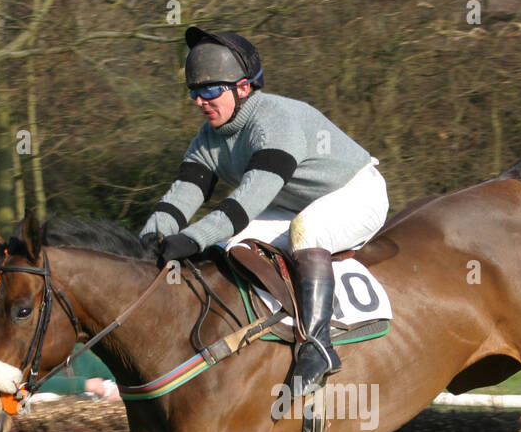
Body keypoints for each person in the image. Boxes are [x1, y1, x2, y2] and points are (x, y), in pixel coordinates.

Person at [139, 26, 389, 398]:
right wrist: (148, 240)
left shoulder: (276, 122)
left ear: (243, 88)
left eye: (209, 91)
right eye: (194, 92)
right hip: (295, 203)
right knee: (229, 244)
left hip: (356, 194)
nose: (199, 101)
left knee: (308, 230)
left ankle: (318, 347)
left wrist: (190, 239)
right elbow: (183, 195)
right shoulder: (208, 139)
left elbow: (247, 202)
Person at [38, 350, 119, 400]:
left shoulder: (77, 350)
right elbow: (36, 383)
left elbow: (111, 373)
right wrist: (85, 384)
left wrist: (113, 389)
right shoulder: (33, 353)